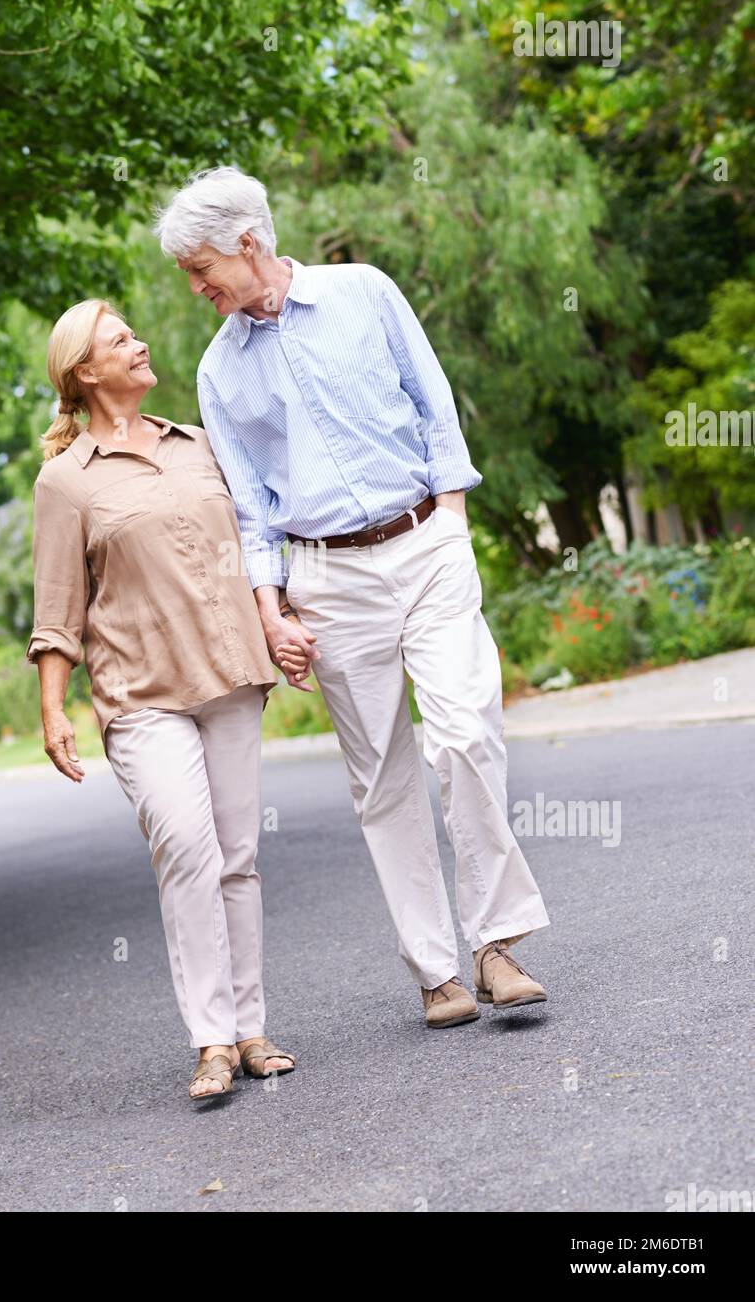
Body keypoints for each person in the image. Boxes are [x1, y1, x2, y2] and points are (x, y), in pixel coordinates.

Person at [152, 166, 551, 1029]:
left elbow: (432, 398)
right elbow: (251, 506)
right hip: (326, 574)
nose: (196, 288)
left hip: (425, 540)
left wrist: (449, 512)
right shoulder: (219, 372)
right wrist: (272, 609)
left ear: (248, 243)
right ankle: (438, 970)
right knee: (382, 780)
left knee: (466, 731)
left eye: (200, 268)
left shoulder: (363, 291)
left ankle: (498, 941)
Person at [25, 297, 297, 1098]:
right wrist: (53, 708)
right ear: (86, 371)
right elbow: (56, 608)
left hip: (228, 674)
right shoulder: (66, 483)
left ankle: (250, 1032)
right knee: (188, 849)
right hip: (141, 694)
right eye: (121, 340)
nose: (140, 344)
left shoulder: (202, 446)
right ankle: (209, 1040)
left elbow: (257, 540)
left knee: (238, 859)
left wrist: (280, 618)